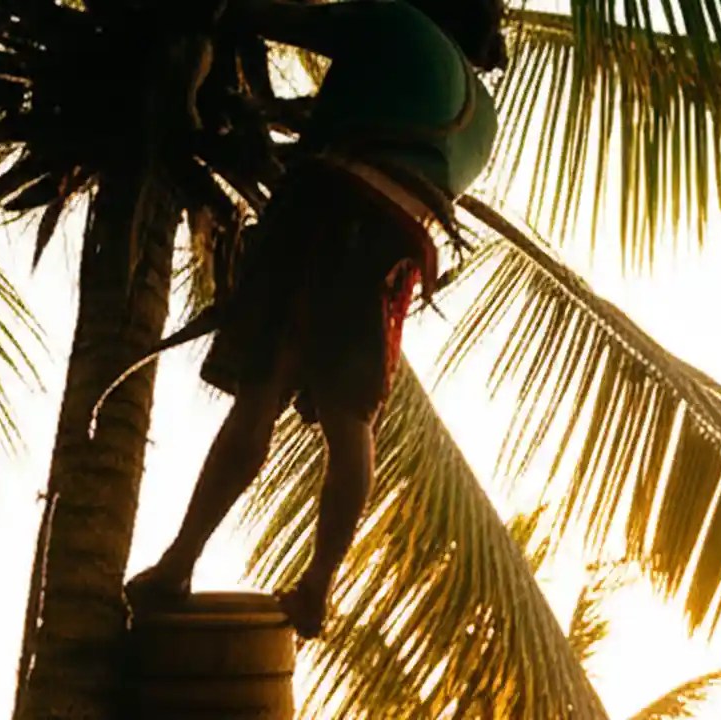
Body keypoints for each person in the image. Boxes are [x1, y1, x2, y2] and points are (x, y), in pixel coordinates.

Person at [125, 0, 507, 639]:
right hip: (400, 243)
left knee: (261, 393)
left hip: (328, 206)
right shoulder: (485, 120)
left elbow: (260, 16)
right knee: (349, 420)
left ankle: (178, 562)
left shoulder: (397, 21)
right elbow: (392, 132)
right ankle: (315, 588)